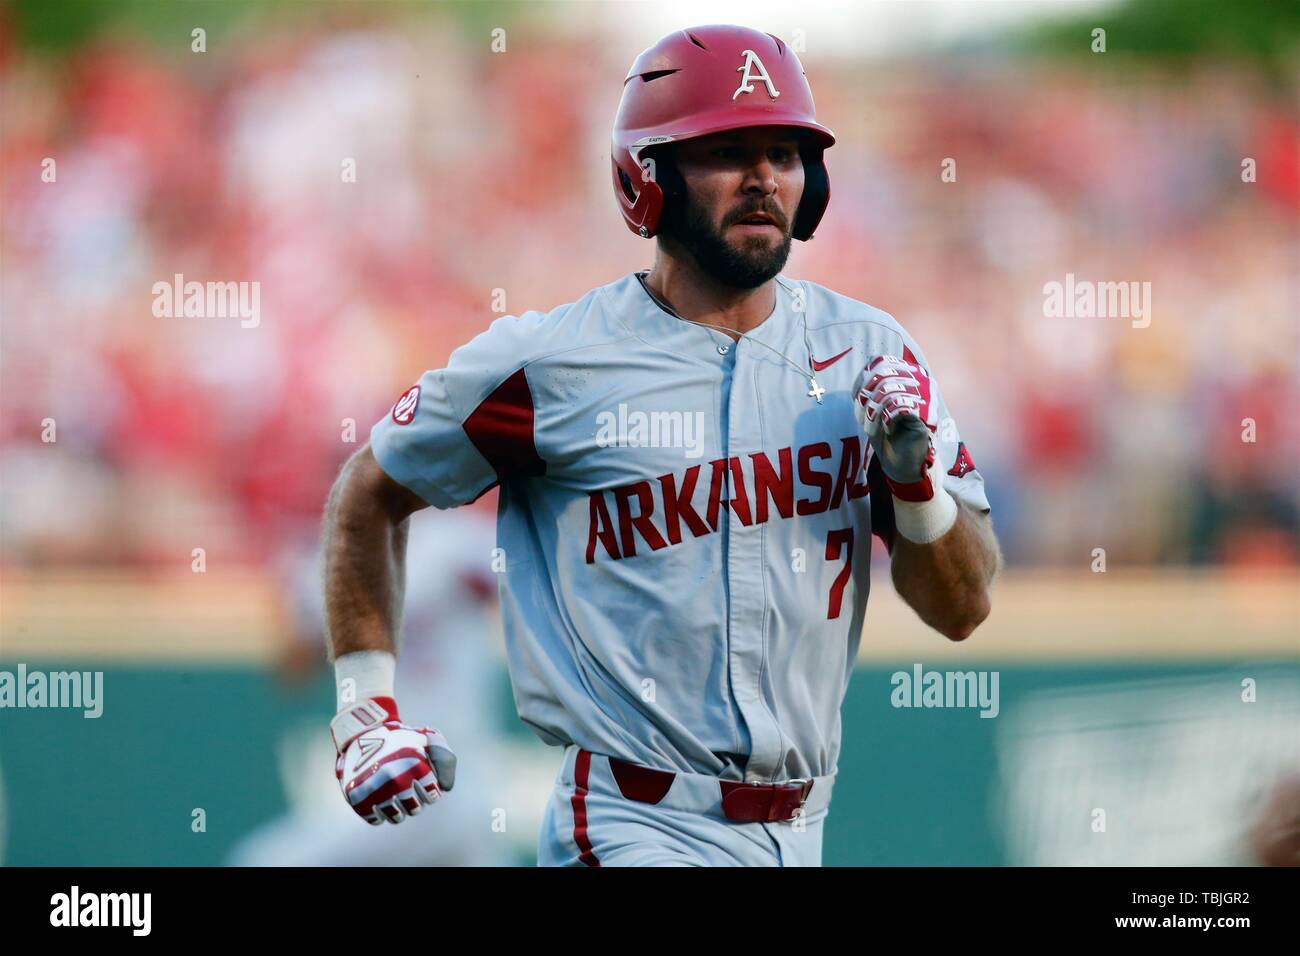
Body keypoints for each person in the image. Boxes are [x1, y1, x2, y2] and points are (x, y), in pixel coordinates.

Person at [321, 24, 1001, 867]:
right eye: (726, 151)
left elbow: (963, 608)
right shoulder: (551, 363)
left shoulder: (870, 351)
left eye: (785, 152)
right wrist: (363, 710)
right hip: (629, 819)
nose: (762, 178)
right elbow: (372, 488)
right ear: (647, 177)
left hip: (801, 830)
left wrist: (915, 479)